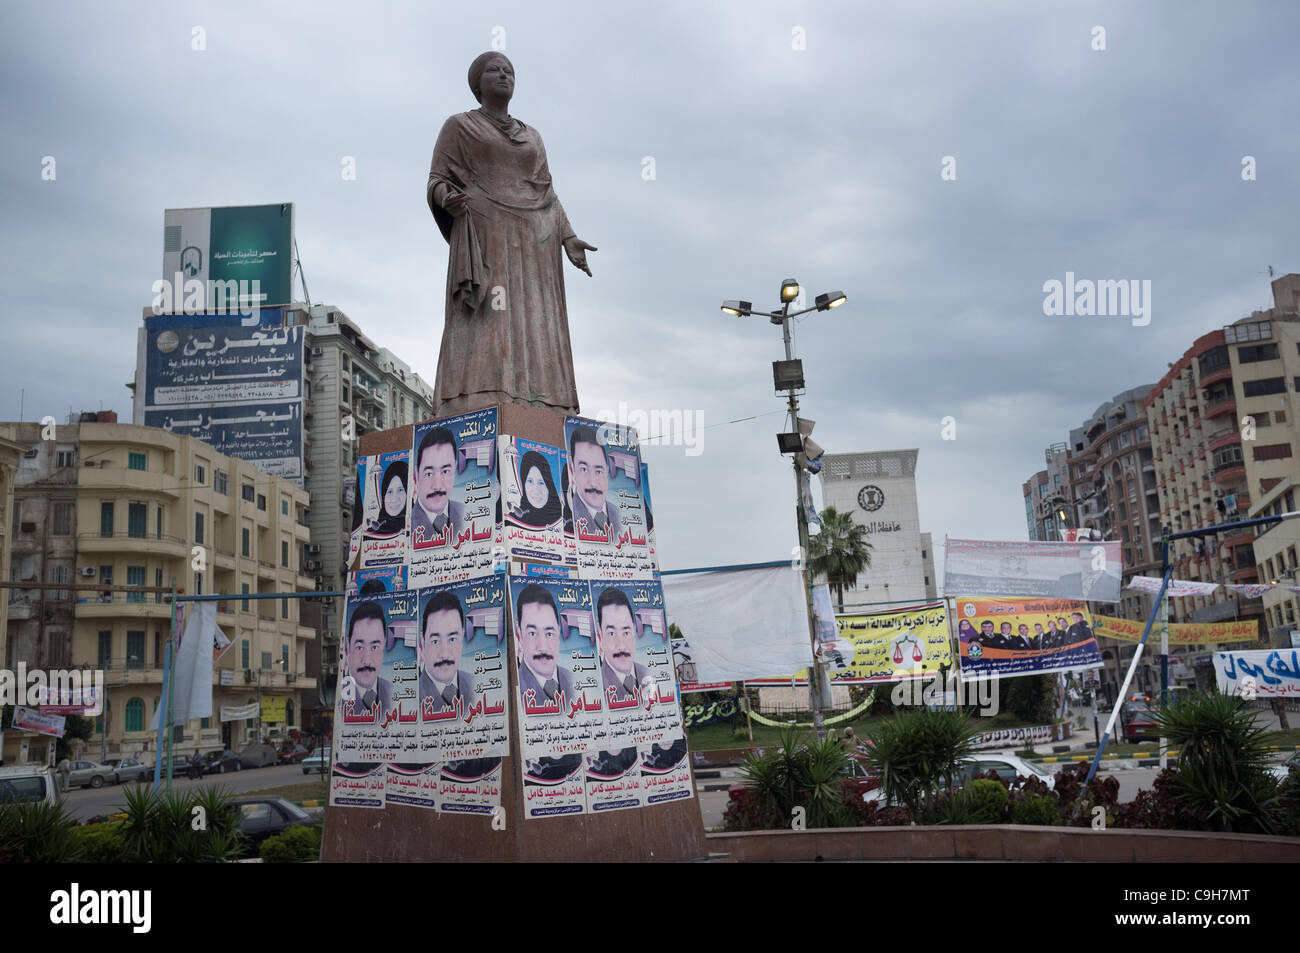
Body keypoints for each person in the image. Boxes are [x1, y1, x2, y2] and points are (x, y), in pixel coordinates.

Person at [427, 51, 596, 416]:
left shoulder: (532, 135)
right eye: (494, 70)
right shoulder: (459, 126)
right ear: (477, 83)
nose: (504, 75)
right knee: (491, 313)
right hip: (486, 231)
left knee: (536, 314)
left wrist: (568, 237)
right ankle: (477, 395)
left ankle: (545, 399)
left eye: (509, 71)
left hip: (537, 239)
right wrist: (447, 199)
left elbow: (546, 191)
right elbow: (437, 179)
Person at [515, 583, 577, 708]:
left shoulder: (575, 681)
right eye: (532, 633)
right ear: (519, 636)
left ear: (558, 634)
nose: (542, 647)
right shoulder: (515, 686)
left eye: (549, 633)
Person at [418, 590, 478, 715]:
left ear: (462, 639)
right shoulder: (412, 696)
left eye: (452, 639)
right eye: (435, 641)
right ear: (422, 645)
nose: (444, 654)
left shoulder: (477, 684)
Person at [411, 426, 464, 546]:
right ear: (416, 475)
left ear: (454, 469)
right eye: (429, 474)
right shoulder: (406, 526)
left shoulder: (467, 513)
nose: (437, 486)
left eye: (445, 471)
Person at [340, 600, 394, 718]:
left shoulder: (393, 691)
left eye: (374, 647)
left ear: (383, 647)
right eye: (359, 647)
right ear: (347, 649)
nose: (367, 661)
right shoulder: (340, 698)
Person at [568, 425, 623, 541]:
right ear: (572, 471)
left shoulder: (619, 514)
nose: (593, 482)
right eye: (584, 469)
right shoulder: (569, 516)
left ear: (607, 472)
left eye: (598, 471)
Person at [596, 587, 650, 703]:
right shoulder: (596, 685)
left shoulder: (648, 674)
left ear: (634, 632)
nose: (621, 646)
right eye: (611, 633)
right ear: (600, 637)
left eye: (626, 632)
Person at [509, 450, 562, 528]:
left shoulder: (560, 522)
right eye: (530, 481)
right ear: (524, 484)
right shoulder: (512, 520)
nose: (536, 490)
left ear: (549, 486)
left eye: (541, 482)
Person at [1054, 545, 1121, 602]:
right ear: (1079, 559)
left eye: (1093, 558)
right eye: (1085, 558)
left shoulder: (1114, 582)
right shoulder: (1065, 581)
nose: (1089, 562)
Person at [368, 459, 408, 536]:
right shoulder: (370, 534)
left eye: (400, 490)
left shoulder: (417, 527)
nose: (394, 498)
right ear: (383, 494)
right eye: (389, 491)